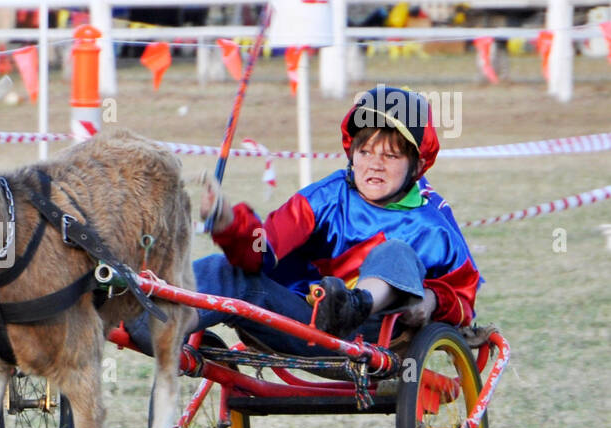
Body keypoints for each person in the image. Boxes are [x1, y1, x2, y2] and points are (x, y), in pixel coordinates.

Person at [127, 86, 481, 356]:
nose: (375, 164)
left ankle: (353, 303)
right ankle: (155, 321)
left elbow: (464, 299)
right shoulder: (324, 198)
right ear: (350, 152)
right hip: (304, 321)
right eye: (365, 151)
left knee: (396, 252)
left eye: (390, 155)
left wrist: (431, 302)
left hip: (374, 336)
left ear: (418, 166)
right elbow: (262, 250)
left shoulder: (433, 223)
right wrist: (229, 224)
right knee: (227, 271)